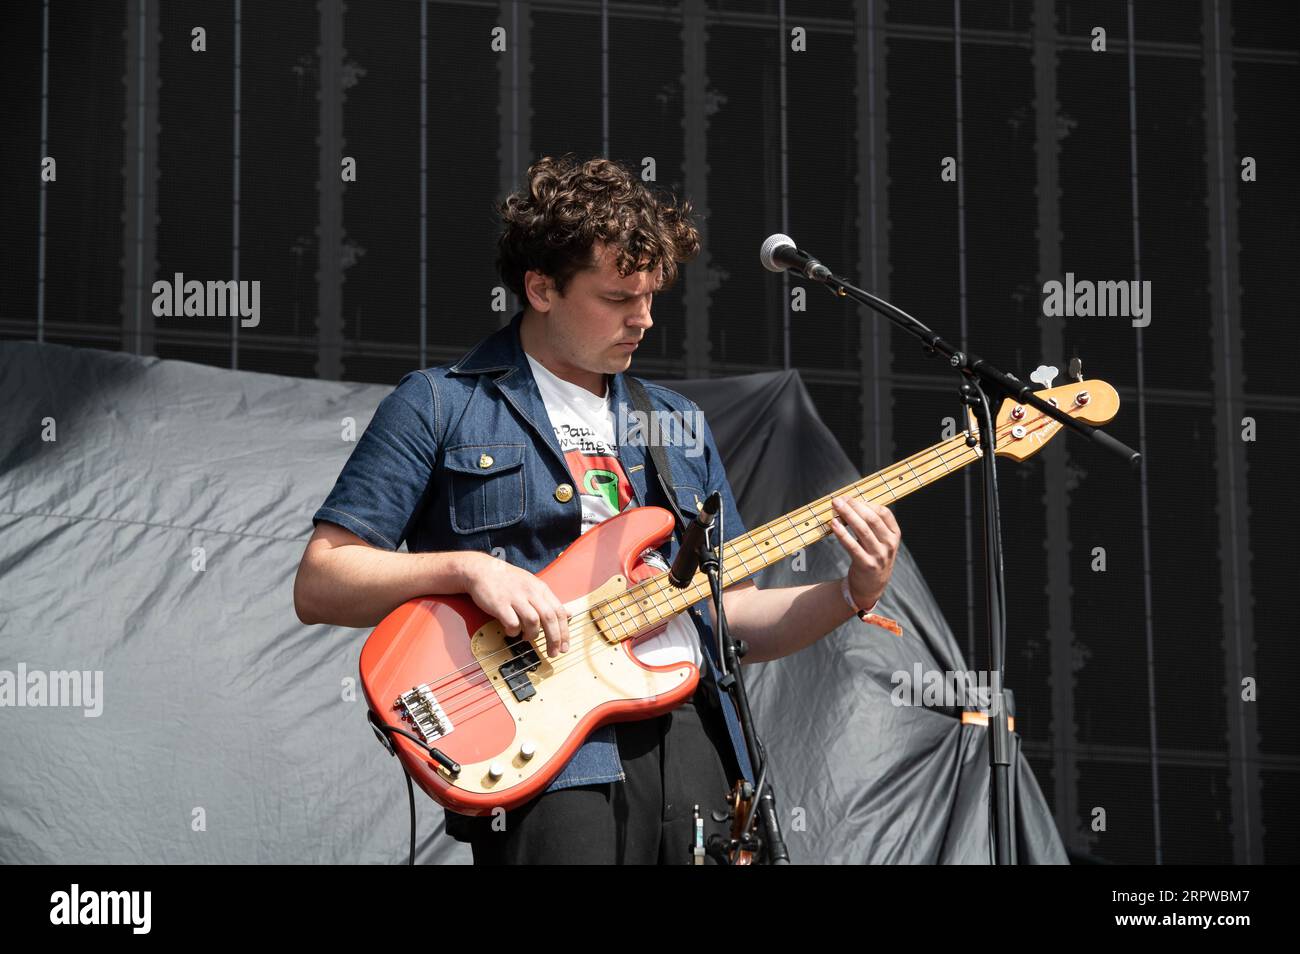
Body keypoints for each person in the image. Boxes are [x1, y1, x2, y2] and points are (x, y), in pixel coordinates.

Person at [293, 154, 901, 864]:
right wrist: (466, 571)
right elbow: (322, 581)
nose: (642, 319)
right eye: (618, 298)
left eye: (650, 296)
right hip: (552, 759)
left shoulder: (677, 424)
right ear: (542, 287)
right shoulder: (439, 404)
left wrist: (851, 593)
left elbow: (730, 616)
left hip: (697, 746)